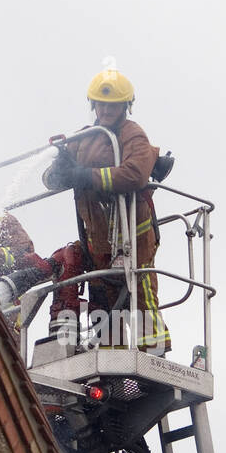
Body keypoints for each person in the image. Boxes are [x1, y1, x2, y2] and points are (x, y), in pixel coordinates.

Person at [43, 70, 170, 351]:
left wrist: (87, 176)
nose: (106, 110)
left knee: (140, 289)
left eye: (113, 105)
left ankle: (154, 352)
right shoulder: (85, 138)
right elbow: (51, 179)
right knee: (103, 291)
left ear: (125, 106)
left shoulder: (132, 134)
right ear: (93, 106)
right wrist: (61, 169)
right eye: (101, 104)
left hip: (133, 231)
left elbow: (134, 174)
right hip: (98, 235)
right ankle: (111, 354)